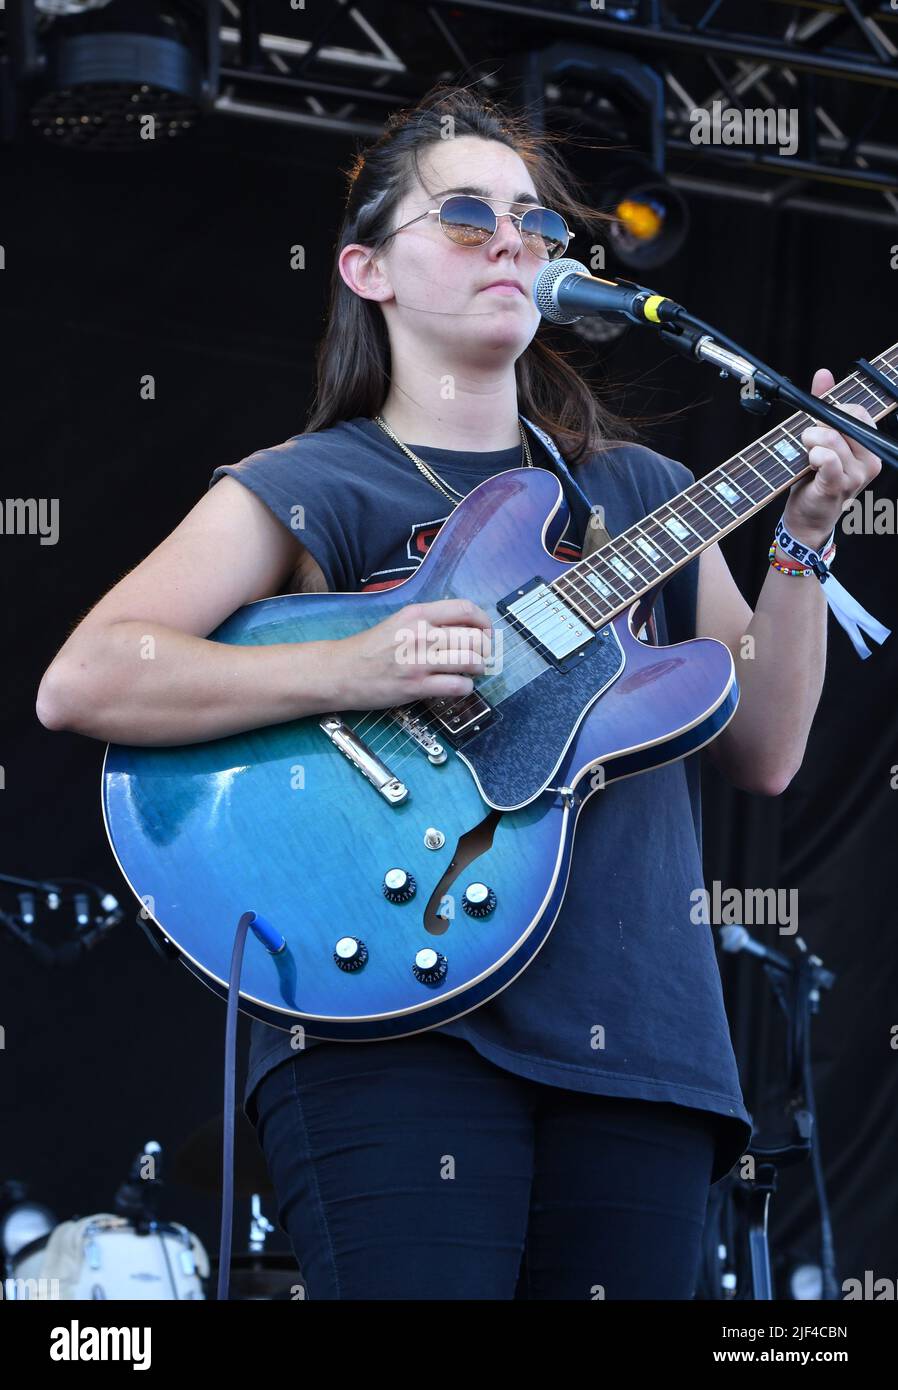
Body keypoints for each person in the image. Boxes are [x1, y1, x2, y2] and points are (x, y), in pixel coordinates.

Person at [36, 84, 881, 1301]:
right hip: (388, 1020)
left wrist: (803, 537)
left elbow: (764, 749)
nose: (511, 241)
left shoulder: (642, 487)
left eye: (534, 222)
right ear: (366, 269)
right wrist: (357, 664)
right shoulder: (314, 480)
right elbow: (91, 676)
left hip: (641, 1042)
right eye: (466, 214)